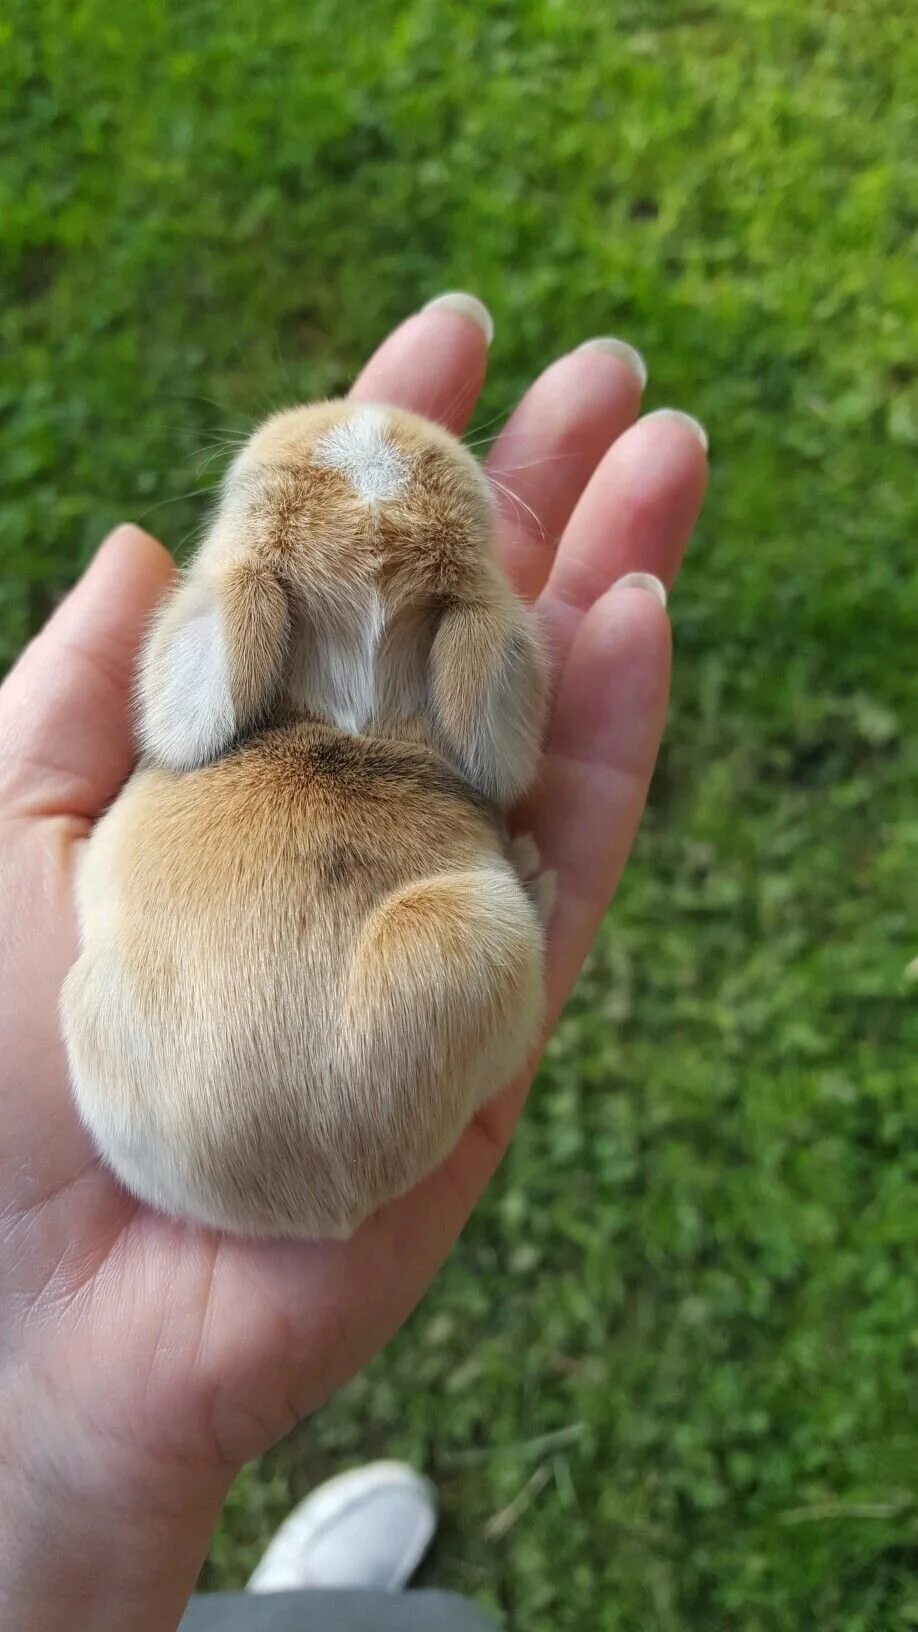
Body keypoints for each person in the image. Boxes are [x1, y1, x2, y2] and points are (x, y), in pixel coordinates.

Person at [0, 292, 708, 1631]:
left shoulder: (208, 668)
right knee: (484, 925)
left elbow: (183, 710)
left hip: (160, 1133)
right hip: (367, 1105)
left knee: (127, 927)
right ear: (469, 644)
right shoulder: (477, 696)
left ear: (240, 608)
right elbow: (499, 759)